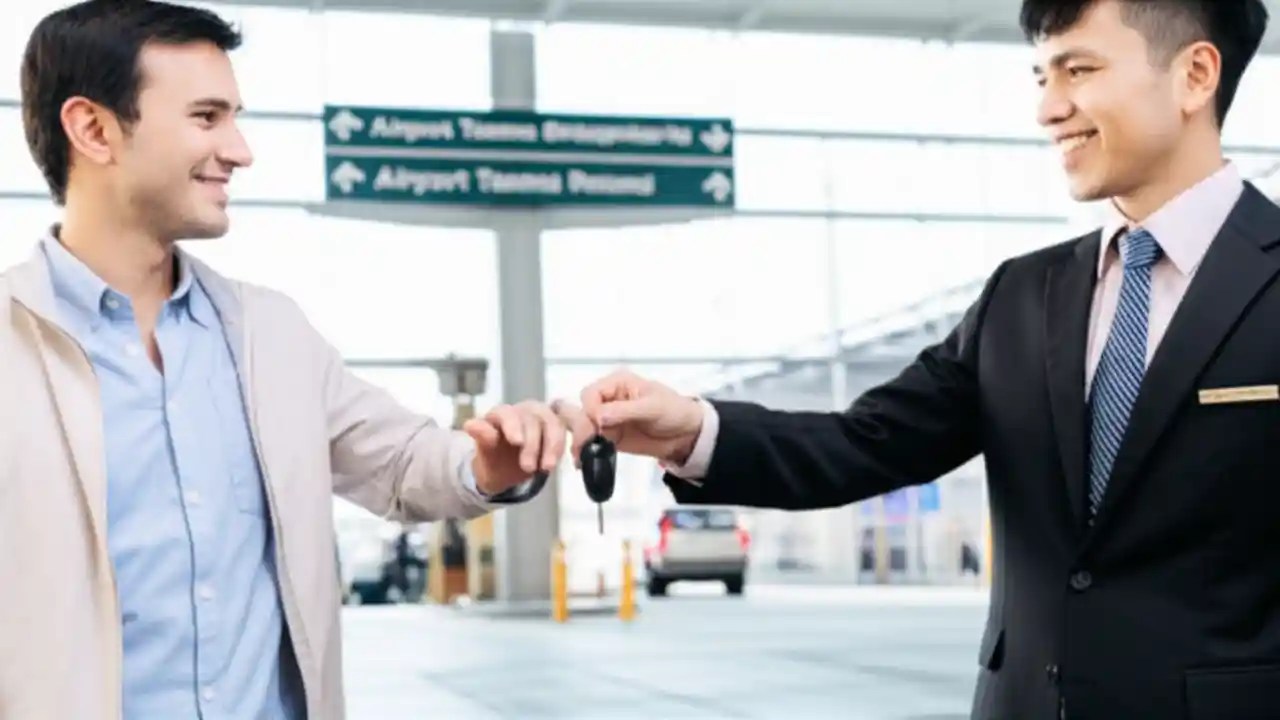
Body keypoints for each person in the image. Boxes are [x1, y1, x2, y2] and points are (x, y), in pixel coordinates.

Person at [559, 1, 1278, 717]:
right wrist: (691, 430)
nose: (1049, 108)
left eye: (1078, 70)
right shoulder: (1023, 296)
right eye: (1040, 77)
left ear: (1194, 76)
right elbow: (865, 442)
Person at [0, 2, 567, 718]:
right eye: (206, 118)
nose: (240, 150)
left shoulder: (270, 334)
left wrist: (488, 465)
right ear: (93, 129)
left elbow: (401, 463)